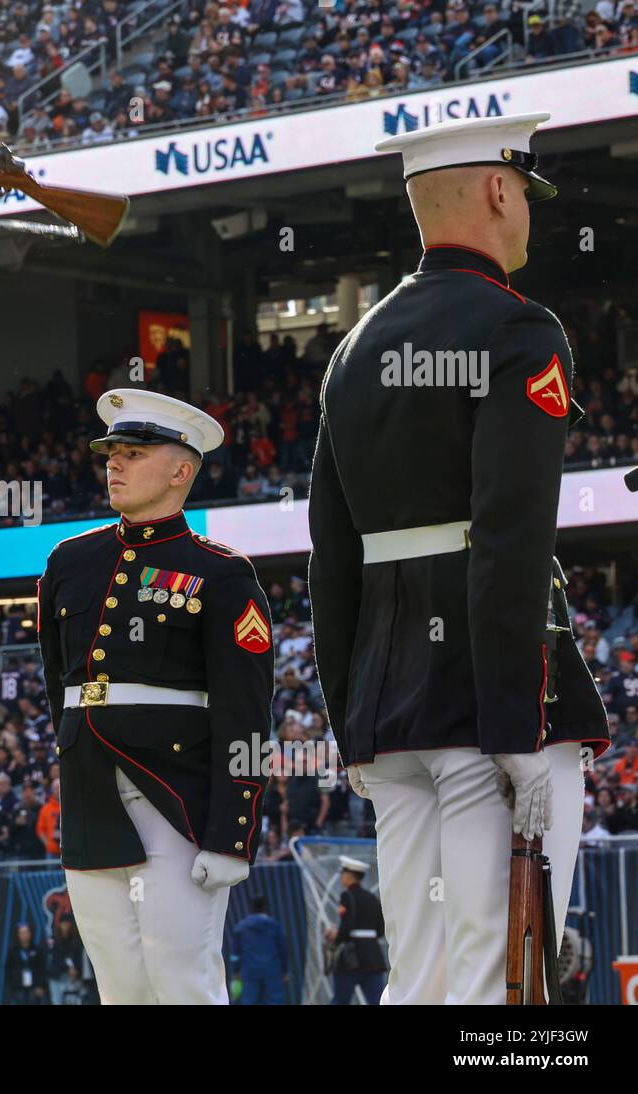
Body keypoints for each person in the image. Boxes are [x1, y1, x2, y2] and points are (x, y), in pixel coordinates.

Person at [307, 114, 611, 1005]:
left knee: (423, 971)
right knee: (501, 969)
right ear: (496, 190)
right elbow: (510, 535)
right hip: (490, 698)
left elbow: (332, 557)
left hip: (387, 701)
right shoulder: (518, 331)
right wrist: (517, 718)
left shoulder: (352, 352)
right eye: (525, 195)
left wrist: (348, 721)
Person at [38, 389, 275, 1004]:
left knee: (182, 978)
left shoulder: (221, 573)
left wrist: (234, 833)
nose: (114, 462)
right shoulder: (69, 561)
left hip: (175, 797)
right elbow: (57, 684)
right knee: (119, 985)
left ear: (181, 470)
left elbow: (245, 714)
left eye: (135, 452)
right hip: (89, 794)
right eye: (112, 451)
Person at [324, 856, 386, 1005]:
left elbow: (346, 928)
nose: (341, 877)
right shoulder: (373, 898)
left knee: (340, 1001)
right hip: (374, 958)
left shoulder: (347, 895)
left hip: (352, 959)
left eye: (343, 873)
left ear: (349, 875)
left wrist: (335, 936)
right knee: (375, 1001)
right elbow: (380, 930)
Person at [231, 894, 289, 1004]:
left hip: (250, 970)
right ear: (265, 908)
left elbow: (235, 955)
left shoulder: (241, 928)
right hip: (272, 970)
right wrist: (285, 971)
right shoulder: (274, 925)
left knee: (250, 1000)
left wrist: (235, 971)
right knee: (275, 1001)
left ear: (251, 908)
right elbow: (283, 950)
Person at [4, 923, 48, 1004]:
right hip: (18, 987)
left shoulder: (37, 950)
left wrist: (41, 986)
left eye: (26, 932)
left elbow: (42, 969)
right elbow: (8, 969)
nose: (24, 935)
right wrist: (10, 986)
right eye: (21, 933)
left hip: (34, 987)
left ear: (30, 933)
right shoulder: (13, 951)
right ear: (18, 935)